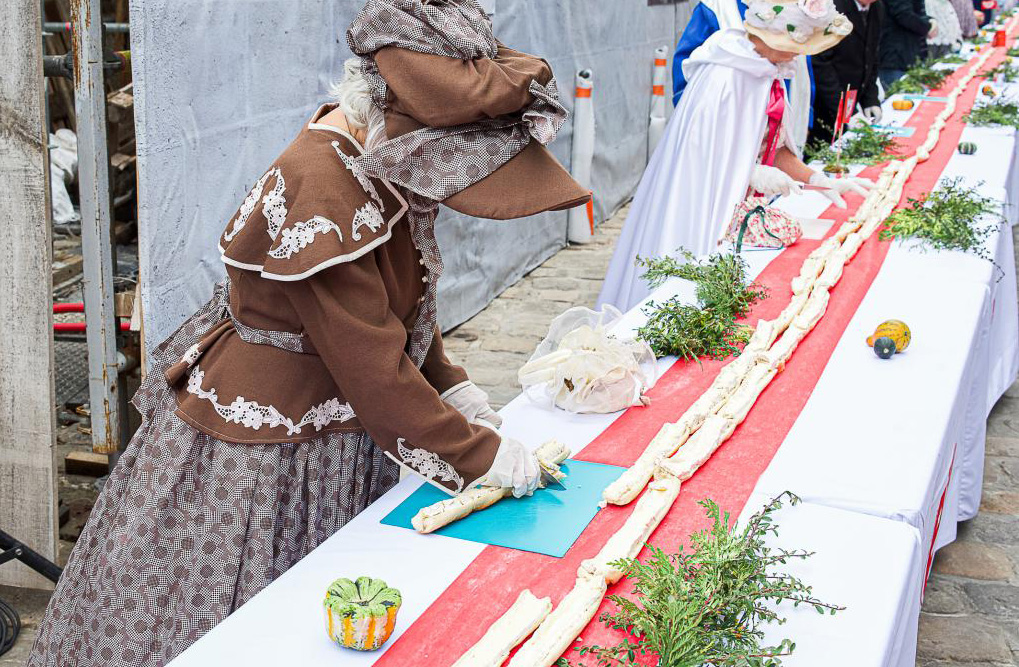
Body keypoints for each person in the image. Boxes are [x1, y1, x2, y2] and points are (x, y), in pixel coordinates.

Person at [26, 1, 589, 665]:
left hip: (337, 413)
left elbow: (398, 305)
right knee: (250, 616)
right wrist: (476, 453)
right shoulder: (323, 183)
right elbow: (372, 367)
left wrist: (452, 386)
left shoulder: (369, 151)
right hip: (271, 441)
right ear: (392, 120)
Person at [599, 0, 871, 312]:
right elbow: (700, 159)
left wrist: (819, 179)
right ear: (770, 39)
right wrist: (752, 172)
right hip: (705, 208)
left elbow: (776, 146)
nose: (798, 56)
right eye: (795, 46)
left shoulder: (767, 70)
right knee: (689, 290)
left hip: (739, 203)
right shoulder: (724, 76)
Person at [671, 0, 816, 153]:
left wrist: (807, 118)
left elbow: (803, 68)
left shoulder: (794, 6)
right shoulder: (716, 8)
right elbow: (686, 72)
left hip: (785, 127)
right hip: (728, 138)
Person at [810, 0, 886, 146]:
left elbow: (872, 56)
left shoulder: (877, 7)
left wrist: (870, 100)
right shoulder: (833, 7)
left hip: (854, 97)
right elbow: (820, 63)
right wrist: (844, 111)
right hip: (827, 103)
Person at [879, 0, 938, 89]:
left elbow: (915, 11)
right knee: (897, 96)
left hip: (909, 54)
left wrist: (929, 20)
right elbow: (904, 15)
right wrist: (928, 27)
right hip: (896, 57)